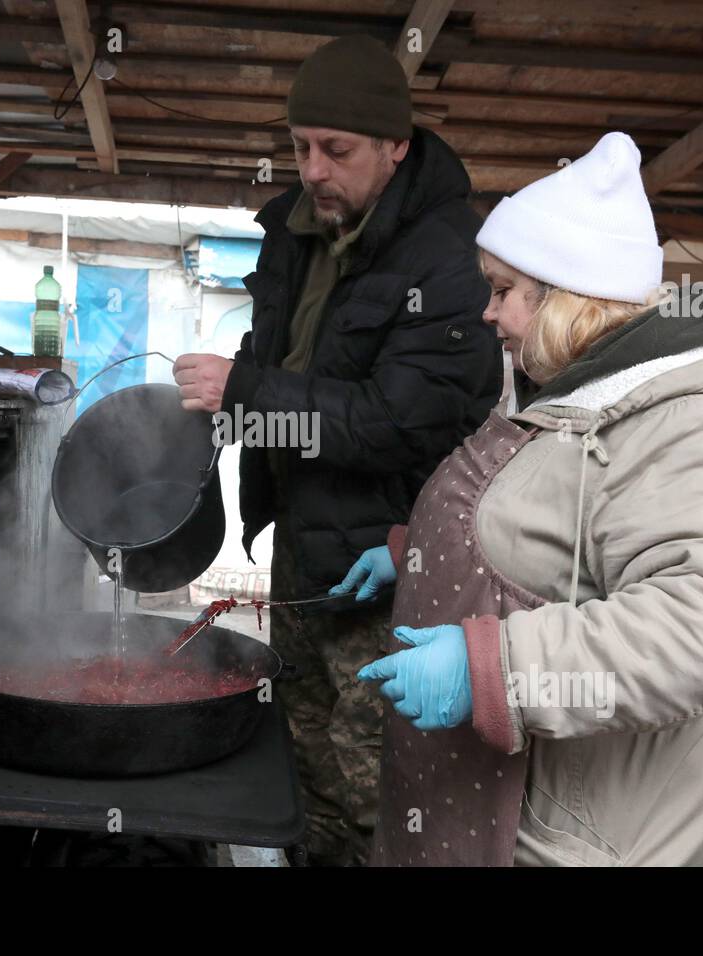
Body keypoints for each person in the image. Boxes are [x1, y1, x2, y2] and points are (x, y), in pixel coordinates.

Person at [343, 131, 703, 866]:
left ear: (567, 299)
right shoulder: (577, 395)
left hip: (642, 832)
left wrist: (493, 669)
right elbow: (554, 525)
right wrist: (418, 556)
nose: (488, 316)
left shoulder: (700, 417)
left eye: (503, 291)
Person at [173, 34, 502, 866]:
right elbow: (288, 368)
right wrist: (225, 419)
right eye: (300, 146)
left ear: (396, 146)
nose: (313, 169)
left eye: (336, 150)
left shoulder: (451, 260)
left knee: (377, 786)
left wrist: (246, 393)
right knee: (302, 754)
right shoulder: (296, 228)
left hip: (392, 563)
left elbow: (402, 421)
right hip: (304, 547)